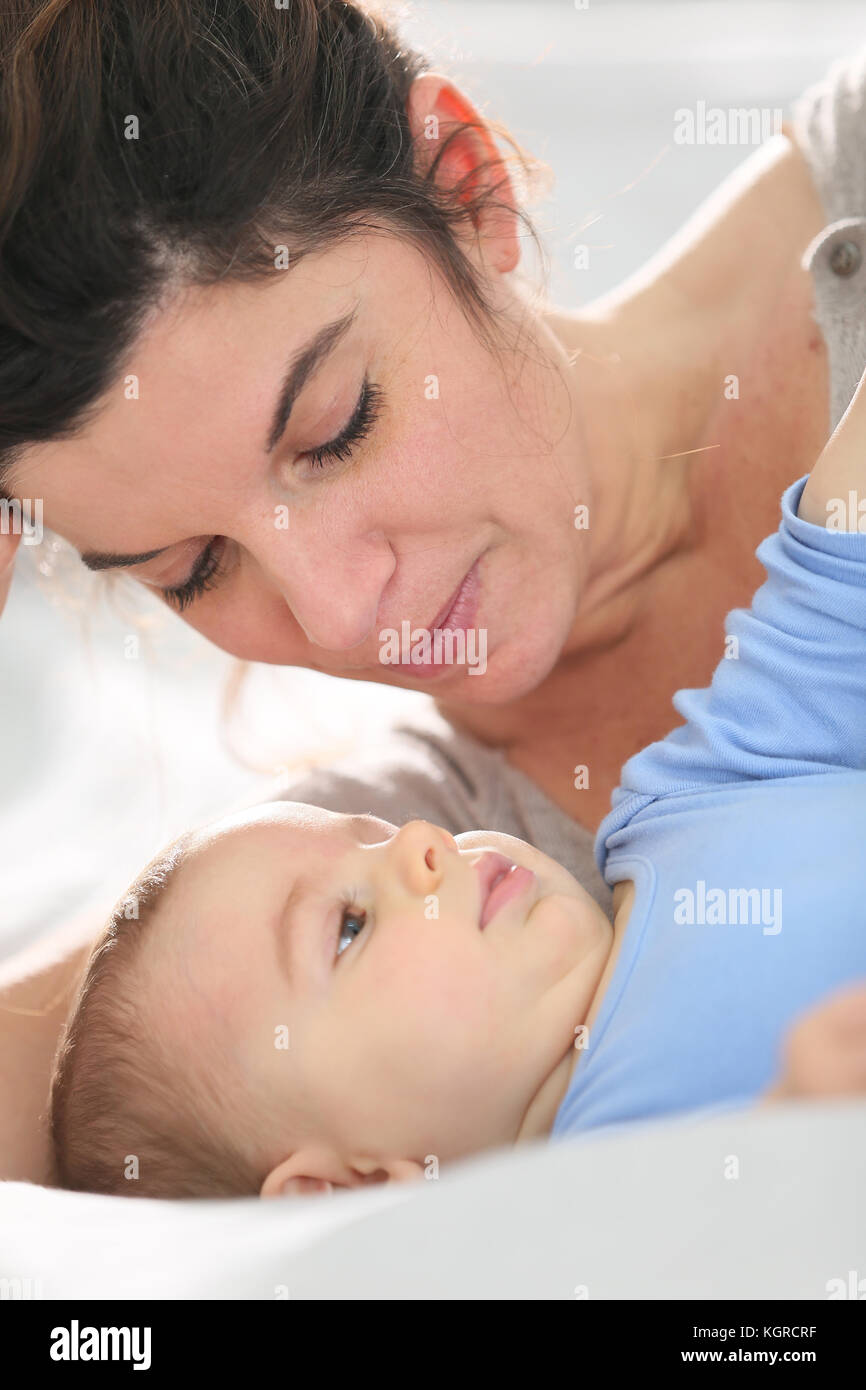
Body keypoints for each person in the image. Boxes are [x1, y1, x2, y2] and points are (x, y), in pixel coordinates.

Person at [0, 3, 864, 1180]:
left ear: (466, 184)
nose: (340, 613)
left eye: (338, 428)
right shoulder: (385, 864)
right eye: (191, 570)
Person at [48, 361, 866, 1198]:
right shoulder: (609, 1223)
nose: (425, 843)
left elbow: (836, 583)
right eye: (348, 928)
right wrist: (789, 1144)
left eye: (379, 833)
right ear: (350, 1185)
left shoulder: (682, 808)